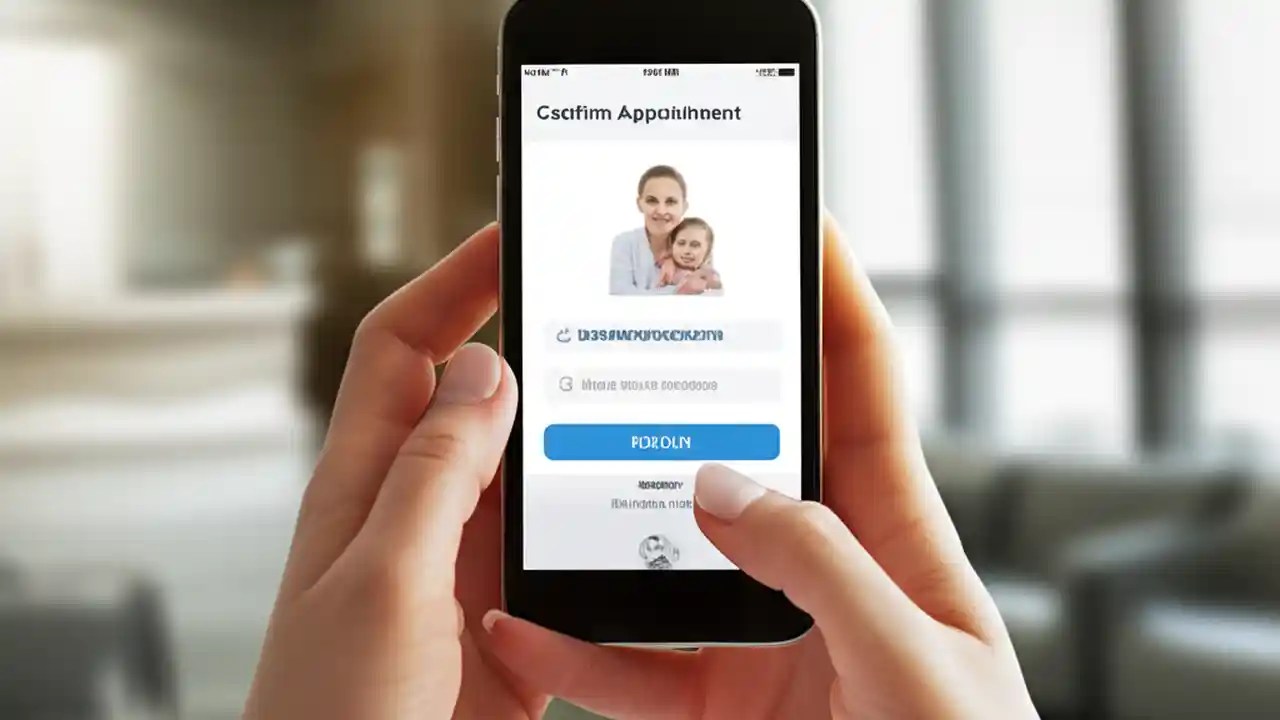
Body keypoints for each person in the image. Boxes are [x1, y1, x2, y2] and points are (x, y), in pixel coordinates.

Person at [244, 220, 1038, 719]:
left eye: (684, 225)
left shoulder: (705, 279)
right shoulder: (633, 268)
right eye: (658, 214)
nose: (671, 230)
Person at [609, 165, 693, 295]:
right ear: (639, 204)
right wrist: (678, 291)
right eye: (652, 201)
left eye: (671, 202)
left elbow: (707, 292)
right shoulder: (625, 243)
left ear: (684, 206)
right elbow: (620, 294)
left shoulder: (698, 242)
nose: (661, 211)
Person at [657, 216, 722, 294]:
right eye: (681, 243)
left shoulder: (709, 275)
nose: (686, 251)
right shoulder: (664, 271)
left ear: (708, 251)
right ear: (672, 245)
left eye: (695, 245)